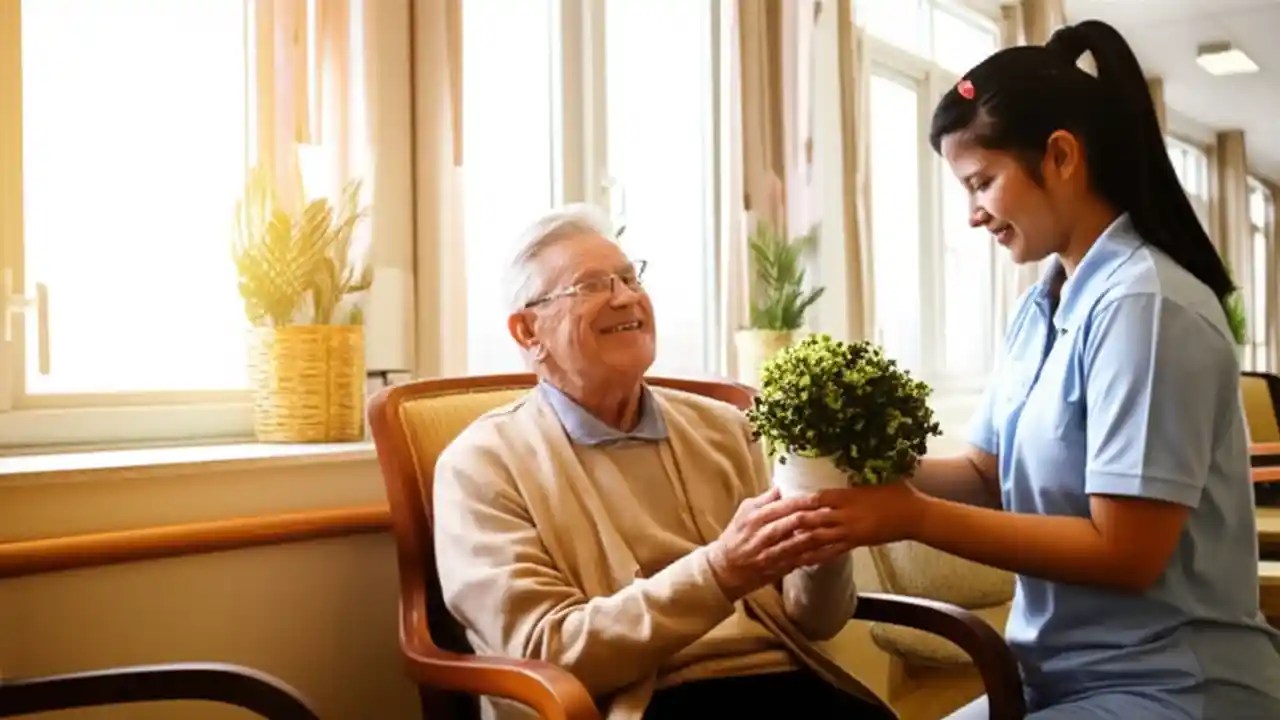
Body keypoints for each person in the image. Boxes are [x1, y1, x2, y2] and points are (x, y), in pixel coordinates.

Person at [795, 19, 1280, 720]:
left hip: (1171, 687)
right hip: (1050, 678)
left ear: (1059, 157)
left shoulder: (1148, 305)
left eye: (982, 182)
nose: (971, 215)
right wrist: (864, 466)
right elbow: (987, 475)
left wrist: (909, 516)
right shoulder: (1042, 306)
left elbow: (1124, 552)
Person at [431, 205, 894, 720]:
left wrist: (824, 543)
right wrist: (721, 570)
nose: (626, 296)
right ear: (528, 333)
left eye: (630, 278)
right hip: (643, 704)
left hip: (790, 681)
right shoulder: (479, 466)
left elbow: (816, 623)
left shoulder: (727, 428)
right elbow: (545, 650)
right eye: (591, 286)